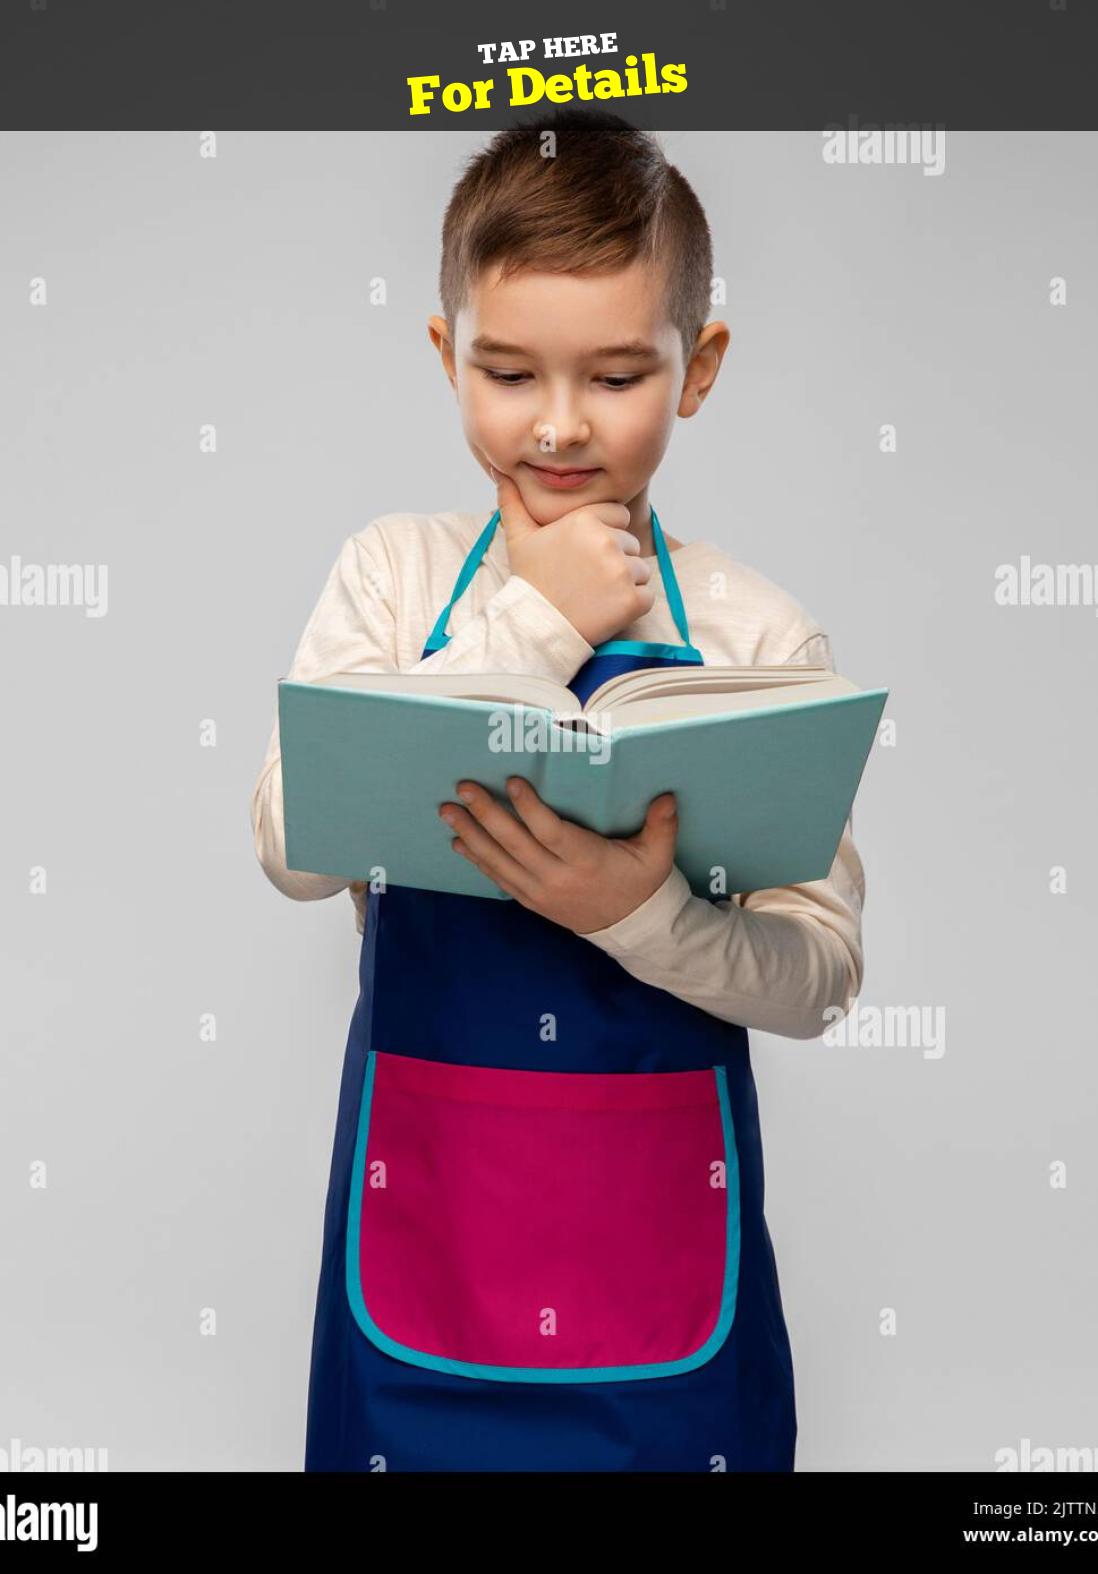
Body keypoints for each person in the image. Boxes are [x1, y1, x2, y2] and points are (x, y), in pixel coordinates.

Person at [250, 106, 866, 1472]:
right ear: (446, 354)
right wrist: (528, 622)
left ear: (696, 367)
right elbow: (293, 840)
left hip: (661, 1266)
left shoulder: (756, 631)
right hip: (426, 1238)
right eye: (512, 371)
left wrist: (641, 915)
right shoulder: (395, 579)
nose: (559, 424)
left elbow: (819, 974)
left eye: (616, 374)